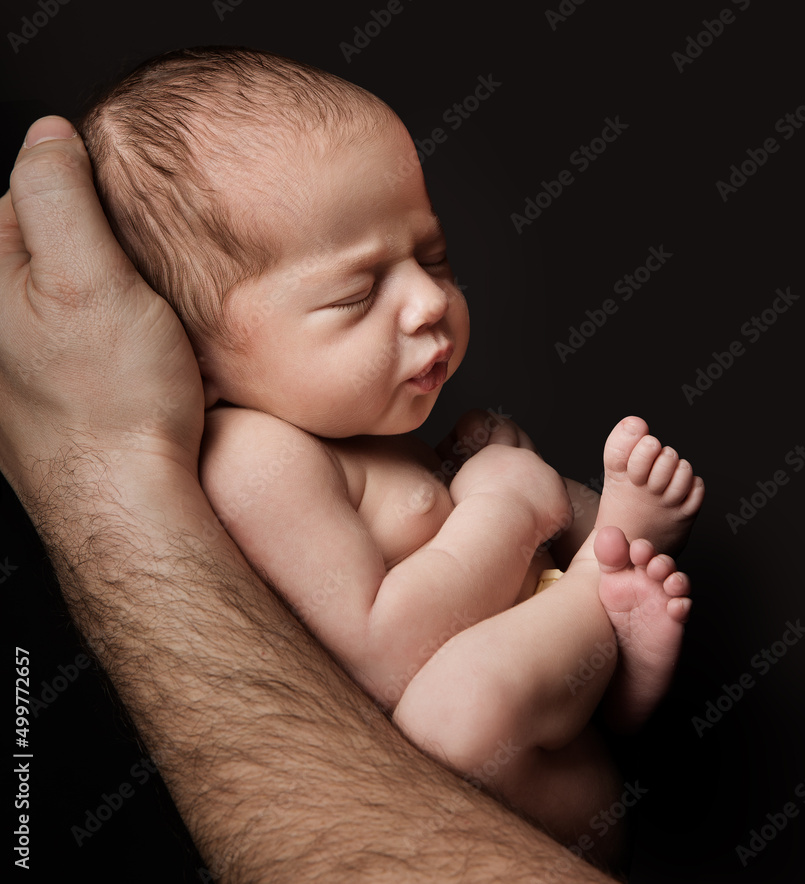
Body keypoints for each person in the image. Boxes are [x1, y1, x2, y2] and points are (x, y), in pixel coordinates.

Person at [73, 46, 705, 852]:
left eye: (432, 256)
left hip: (539, 713)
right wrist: (501, 503)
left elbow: (425, 547)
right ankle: (605, 587)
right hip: (496, 809)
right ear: (197, 357)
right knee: (452, 714)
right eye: (358, 293)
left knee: (526, 500)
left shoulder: (352, 430)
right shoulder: (253, 458)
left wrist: (458, 469)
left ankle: (611, 598)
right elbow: (387, 657)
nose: (428, 301)